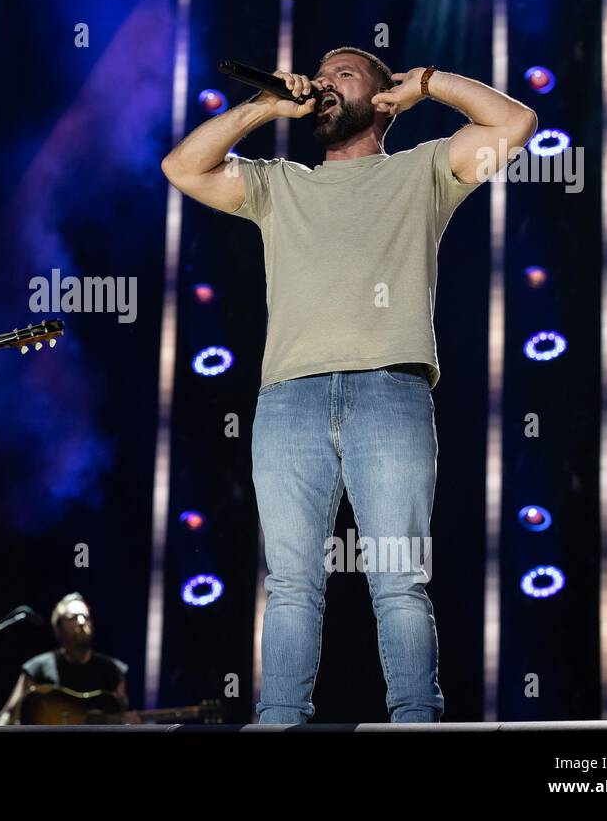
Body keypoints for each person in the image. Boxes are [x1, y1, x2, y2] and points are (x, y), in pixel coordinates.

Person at [161, 48, 536, 724]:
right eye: (321, 75)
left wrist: (426, 84)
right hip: (287, 401)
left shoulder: (422, 170)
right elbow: (182, 167)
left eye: (344, 74)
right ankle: (279, 716)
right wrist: (265, 106)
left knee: (399, 580)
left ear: (379, 95)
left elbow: (514, 125)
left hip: (389, 393)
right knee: (292, 583)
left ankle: (416, 718)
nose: (324, 82)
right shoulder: (281, 184)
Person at [0, 593, 133, 725]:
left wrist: (130, 723)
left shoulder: (112, 669)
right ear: (58, 627)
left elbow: (123, 715)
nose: (81, 622)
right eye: (73, 617)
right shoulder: (37, 668)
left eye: (86, 616)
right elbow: (9, 712)